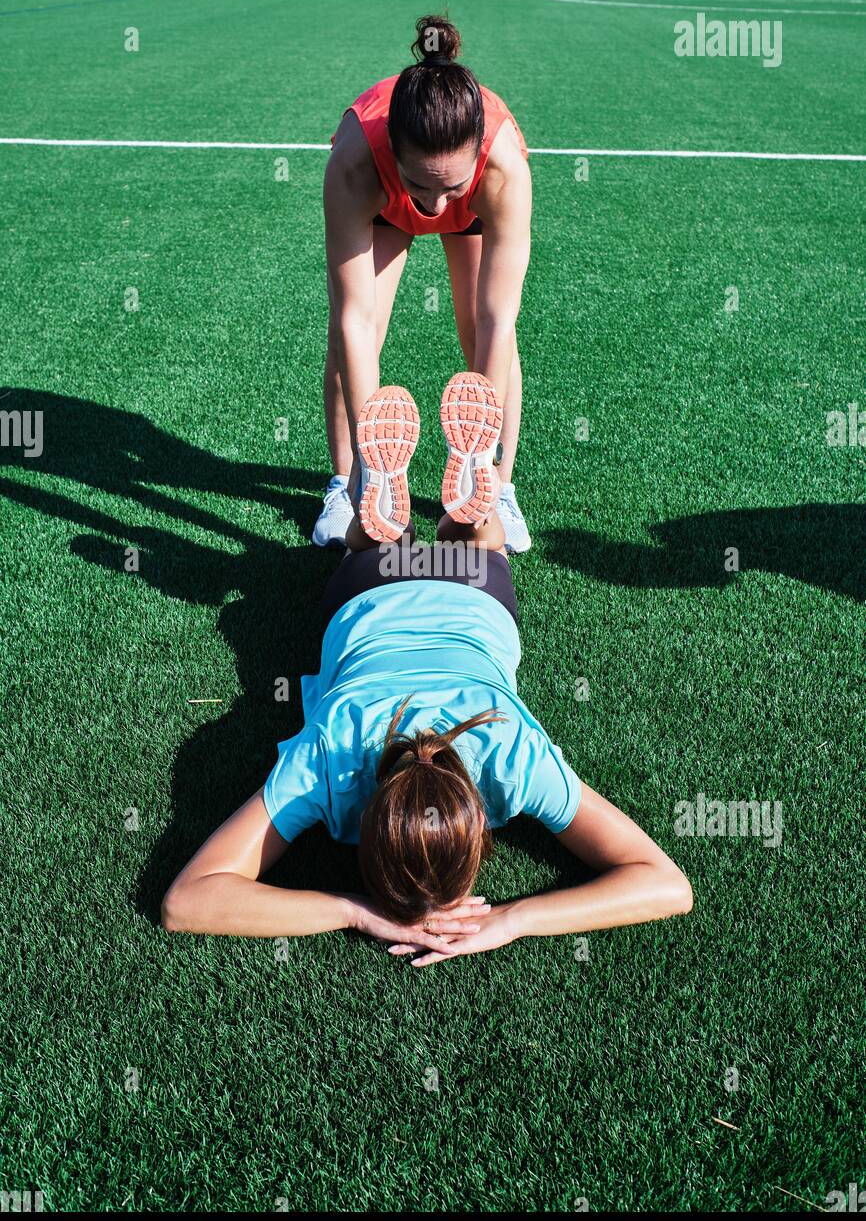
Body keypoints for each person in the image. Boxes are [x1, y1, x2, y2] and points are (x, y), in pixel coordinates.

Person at [162, 375, 693, 966]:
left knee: (478, 551)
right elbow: (186, 902)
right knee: (366, 552)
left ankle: (460, 515)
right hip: (369, 592)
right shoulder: (332, 757)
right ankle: (406, 516)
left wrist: (504, 918)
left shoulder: (510, 755)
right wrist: (361, 907)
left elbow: (664, 886)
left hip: (473, 593)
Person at [313, 11, 534, 554]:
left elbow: (497, 318)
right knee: (349, 345)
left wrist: (479, 454)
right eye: (422, 183)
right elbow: (355, 320)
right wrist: (374, 465)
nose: (433, 206)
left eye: (448, 186)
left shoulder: (503, 169)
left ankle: (497, 484)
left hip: (474, 208)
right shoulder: (354, 162)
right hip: (385, 205)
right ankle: (347, 485)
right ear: (391, 145)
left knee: (481, 336)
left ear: (478, 149)